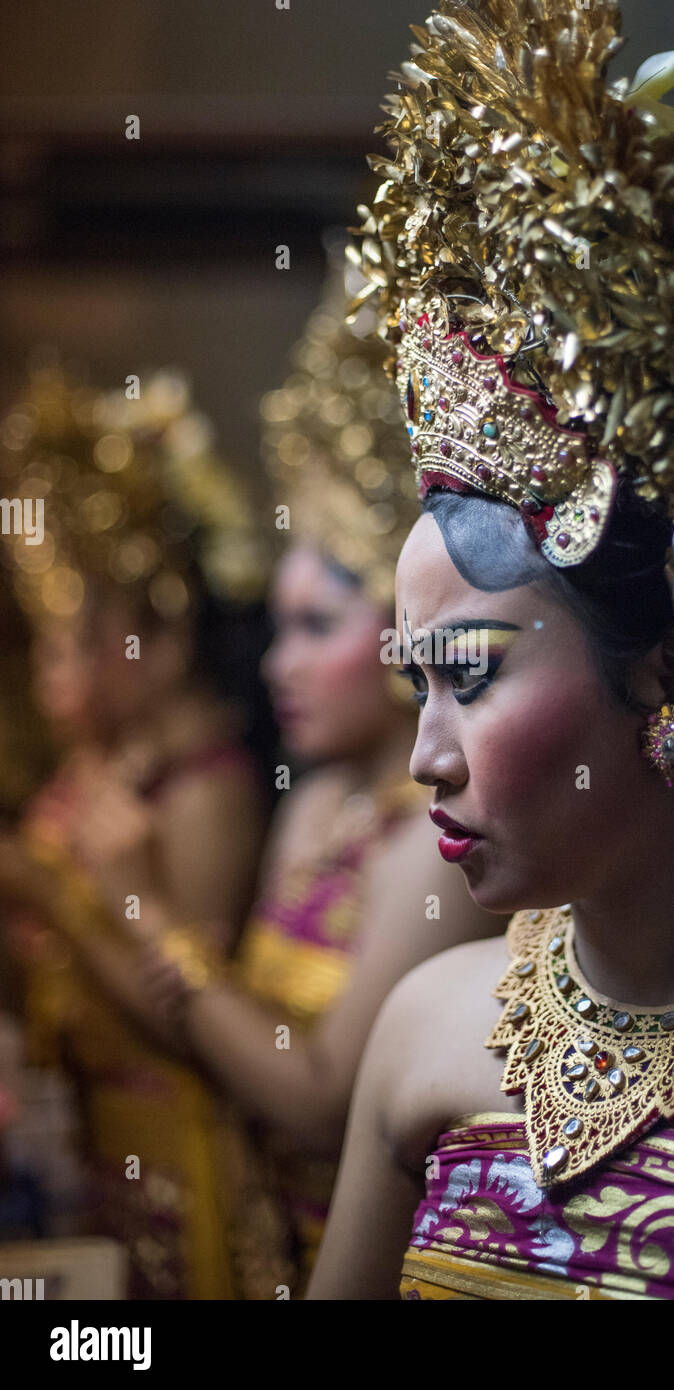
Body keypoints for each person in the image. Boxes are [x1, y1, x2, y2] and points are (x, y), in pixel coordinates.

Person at [309, 0, 674, 1300]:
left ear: (669, 679)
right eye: (412, 679)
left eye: (470, 673)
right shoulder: (429, 1029)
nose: (422, 759)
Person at [127, 251, 497, 1297]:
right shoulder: (321, 800)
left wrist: (162, 932)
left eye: (315, 626)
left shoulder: (441, 837)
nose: (279, 662)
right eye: (278, 625)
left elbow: (322, 1097)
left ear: (404, 634)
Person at [0, 363, 270, 1297]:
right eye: (42, 637)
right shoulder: (95, 764)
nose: (49, 670)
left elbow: (187, 1021)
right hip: (86, 1130)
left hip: (175, 1143)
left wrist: (52, 900)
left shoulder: (204, 789)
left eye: (74, 639)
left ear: (156, 632)